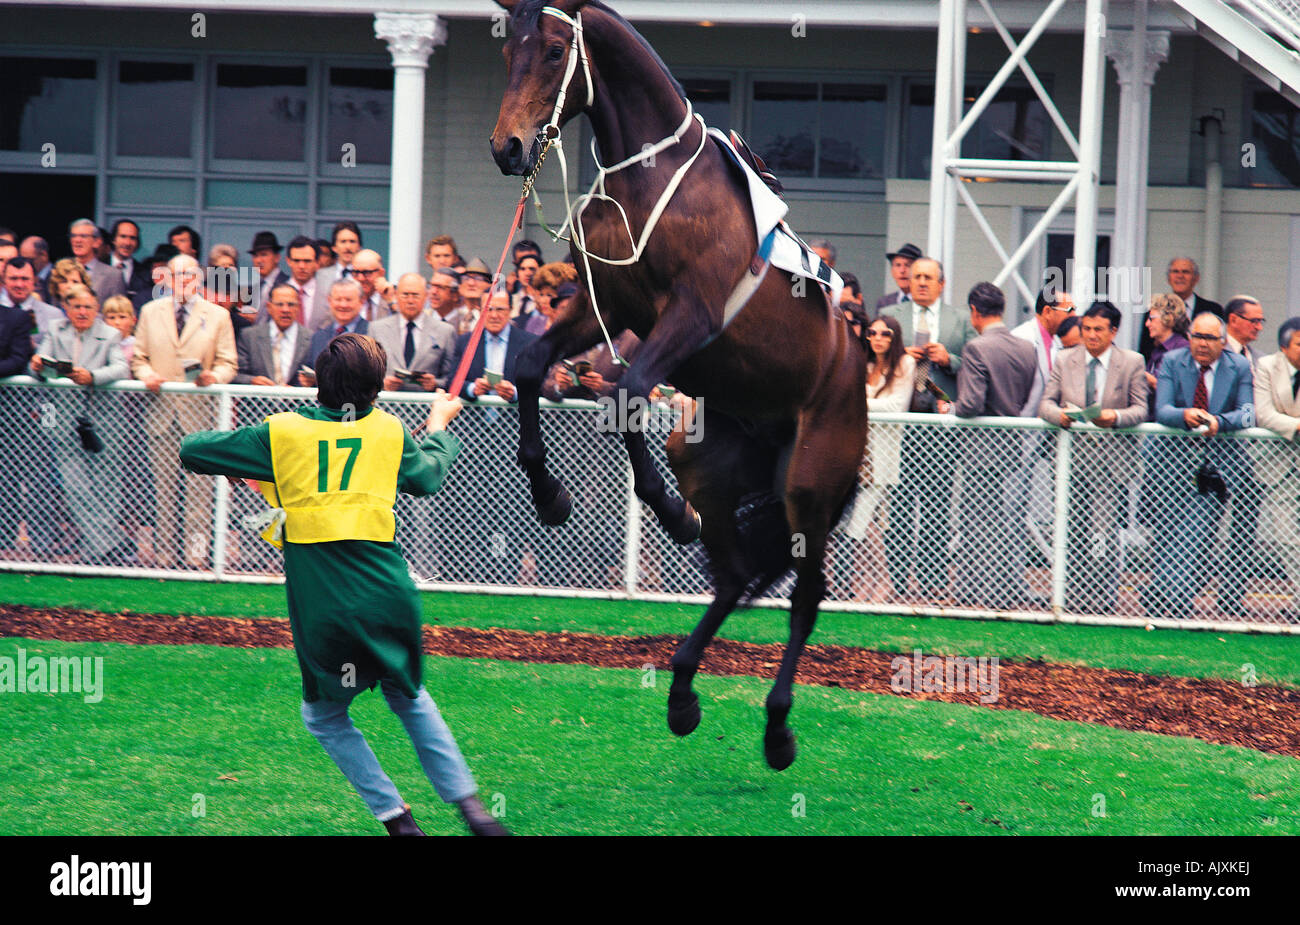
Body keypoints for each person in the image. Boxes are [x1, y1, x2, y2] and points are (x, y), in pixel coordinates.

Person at [179, 334, 508, 836]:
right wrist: (440, 426)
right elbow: (428, 477)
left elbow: (192, 449)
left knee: (326, 717)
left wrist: (237, 461)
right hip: (389, 593)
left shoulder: (280, 433)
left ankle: (398, 822)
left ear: (317, 381)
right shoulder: (391, 431)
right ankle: (472, 810)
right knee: (410, 697)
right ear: (377, 388)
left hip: (324, 605)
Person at [1143, 312, 1255, 621]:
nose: (1201, 344)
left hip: (1215, 470)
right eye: (1197, 336)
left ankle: (1174, 599)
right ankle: (1163, 593)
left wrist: (1220, 422)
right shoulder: (1173, 361)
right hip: (1171, 466)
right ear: (1189, 336)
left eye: (1209, 338)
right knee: (1167, 535)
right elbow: (1162, 409)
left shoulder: (1240, 366)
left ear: (1222, 342)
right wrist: (1185, 416)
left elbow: (1248, 415)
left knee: (1198, 533)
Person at [1039, 301, 1149, 613]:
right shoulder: (1065, 359)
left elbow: (1141, 409)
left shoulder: (1131, 362)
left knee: (1102, 534)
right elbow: (1045, 403)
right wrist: (1060, 416)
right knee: (1071, 531)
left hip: (1111, 463)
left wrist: (1114, 416)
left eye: (1098, 330)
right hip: (1072, 462)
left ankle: (1101, 599)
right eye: (1086, 329)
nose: (1091, 335)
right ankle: (1071, 597)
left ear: (1114, 331)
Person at [132, 254, 238, 568]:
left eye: (190, 276)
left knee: (200, 489)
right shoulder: (150, 312)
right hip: (162, 413)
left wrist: (213, 377)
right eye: (177, 276)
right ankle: (164, 555)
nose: (184, 282)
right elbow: (138, 358)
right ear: (166, 278)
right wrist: (146, 375)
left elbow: (228, 363)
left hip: (200, 413)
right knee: (164, 489)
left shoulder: (217, 315)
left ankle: (196, 554)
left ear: (200, 279)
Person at [879, 256, 976, 598]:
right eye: (917, 276)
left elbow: (976, 364)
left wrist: (949, 359)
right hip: (901, 426)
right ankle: (898, 582)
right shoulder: (893, 316)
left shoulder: (959, 320)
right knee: (900, 508)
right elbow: (872, 356)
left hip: (939, 428)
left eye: (928, 278)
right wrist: (899, 353)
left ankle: (932, 583)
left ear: (941, 283)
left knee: (936, 507)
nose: (920, 282)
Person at [30, 284, 133, 565]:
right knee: (75, 487)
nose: (83, 312)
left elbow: (122, 368)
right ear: (66, 308)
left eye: (88, 307)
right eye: (76, 307)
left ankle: (96, 553)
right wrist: (37, 366)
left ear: (96, 309)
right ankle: (112, 546)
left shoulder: (110, 334)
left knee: (105, 489)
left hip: (104, 422)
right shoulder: (55, 329)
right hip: (64, 422)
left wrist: (93, 376)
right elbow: (38, 366)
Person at [950, 282, 1039, 609]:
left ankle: (984, 594)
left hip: (981, 448)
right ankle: (994, 591)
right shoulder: (1027, 348)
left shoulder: (976, 348)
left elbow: (971, 403)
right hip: (1010, 444)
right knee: (1002, 521)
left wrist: (950, 408)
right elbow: (1026, 395)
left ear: (975, 311)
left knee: (979, 522)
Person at [840, 314, 914, 602]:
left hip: (882, 454)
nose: (878, 338)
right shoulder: (865, 364)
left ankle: (882, 584)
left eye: (885, 334)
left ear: (894, 338)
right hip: (859, 450)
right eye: (873, 333)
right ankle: (867, 583)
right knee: (864, 524)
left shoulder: (905, 363)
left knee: (865, 523)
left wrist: (857, 404)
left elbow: (897, 405)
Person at [1251, 317, 1300, 622]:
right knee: (1286, 537)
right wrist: (1297, 425)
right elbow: (1264, 413)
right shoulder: (1268, 366)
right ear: (1284, 347)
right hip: (1277, 467)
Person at [369, 273, 457, 392]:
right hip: (387, 404)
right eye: (405, 295)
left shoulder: (445, 331)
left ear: (426, 296)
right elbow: (367, 373)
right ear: (396, 295)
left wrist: (435, 384)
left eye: (416, 295)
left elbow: (452, 377)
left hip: (426, 406)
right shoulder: (377, 329)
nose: (410, 301)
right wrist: (382, 384)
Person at [453, 289, 537, 402]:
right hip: (474, 416)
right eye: (488, 309)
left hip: (515, 416)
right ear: (480, 311)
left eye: (500, 309)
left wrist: (516, 393)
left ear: (511, 310)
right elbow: (452, 380)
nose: (494, 315)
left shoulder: (530, 343)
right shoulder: (465, 342)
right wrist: (472, 389)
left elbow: (540, 383)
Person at [1012, 287, 1075, 416]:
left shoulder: (1058, 342)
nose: (1074, 316)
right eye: (1069, 310)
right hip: (1016, 428)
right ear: (1047, 311)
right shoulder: (1021, 338)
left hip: (1041, 430)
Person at [235, 285, 312, 386]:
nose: (285, 310)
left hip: (297, 401)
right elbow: (236, 374)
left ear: (298, 307)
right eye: (280, 304)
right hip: (259, 400)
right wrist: (252, 380)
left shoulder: (311, 338)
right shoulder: (249, 336)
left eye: (291, 304)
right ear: (269, 307)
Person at [303, 279, 370, 383]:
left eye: (348, 300)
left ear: (362, 301)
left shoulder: (372, 333)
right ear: (329, 301)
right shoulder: (318, 337)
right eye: (338, 299)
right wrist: (306, 382)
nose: (343, 305)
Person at [68, 219, 126, 302]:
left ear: (97, 242)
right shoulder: (61, 270)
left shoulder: (113, 275)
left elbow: (119, 309)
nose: (77, 240)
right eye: (73, 236)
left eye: (83, 236)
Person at [249, 231, 289, 314]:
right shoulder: (252, 288)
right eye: (255, 256)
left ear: (277, 257)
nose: (259, 260)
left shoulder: (288, 284)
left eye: (264, 255)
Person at [1223, 295, 1264, 372]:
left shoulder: (1261, 359)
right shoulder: (1216, 354)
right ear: (1233, 320)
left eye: (1261, 321)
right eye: (1254, 321)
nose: (1259, 327)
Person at [876, 242, 921, 312]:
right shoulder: (884, 303)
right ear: (892, 271)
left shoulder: (925, 302)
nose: (902, 270)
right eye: (898, 265)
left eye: (908, 265)